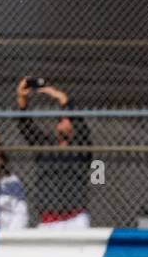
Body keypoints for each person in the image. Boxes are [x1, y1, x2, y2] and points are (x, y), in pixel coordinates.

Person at [16, 78, 93, 229]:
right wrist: (22, 99)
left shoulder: (81, 148)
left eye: (68, 119)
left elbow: (82, 127)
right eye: (60, 119)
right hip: (49, 218)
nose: (63, 122)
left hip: (76, 217)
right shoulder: (45, 146)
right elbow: (26, 126)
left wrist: (61, 97)